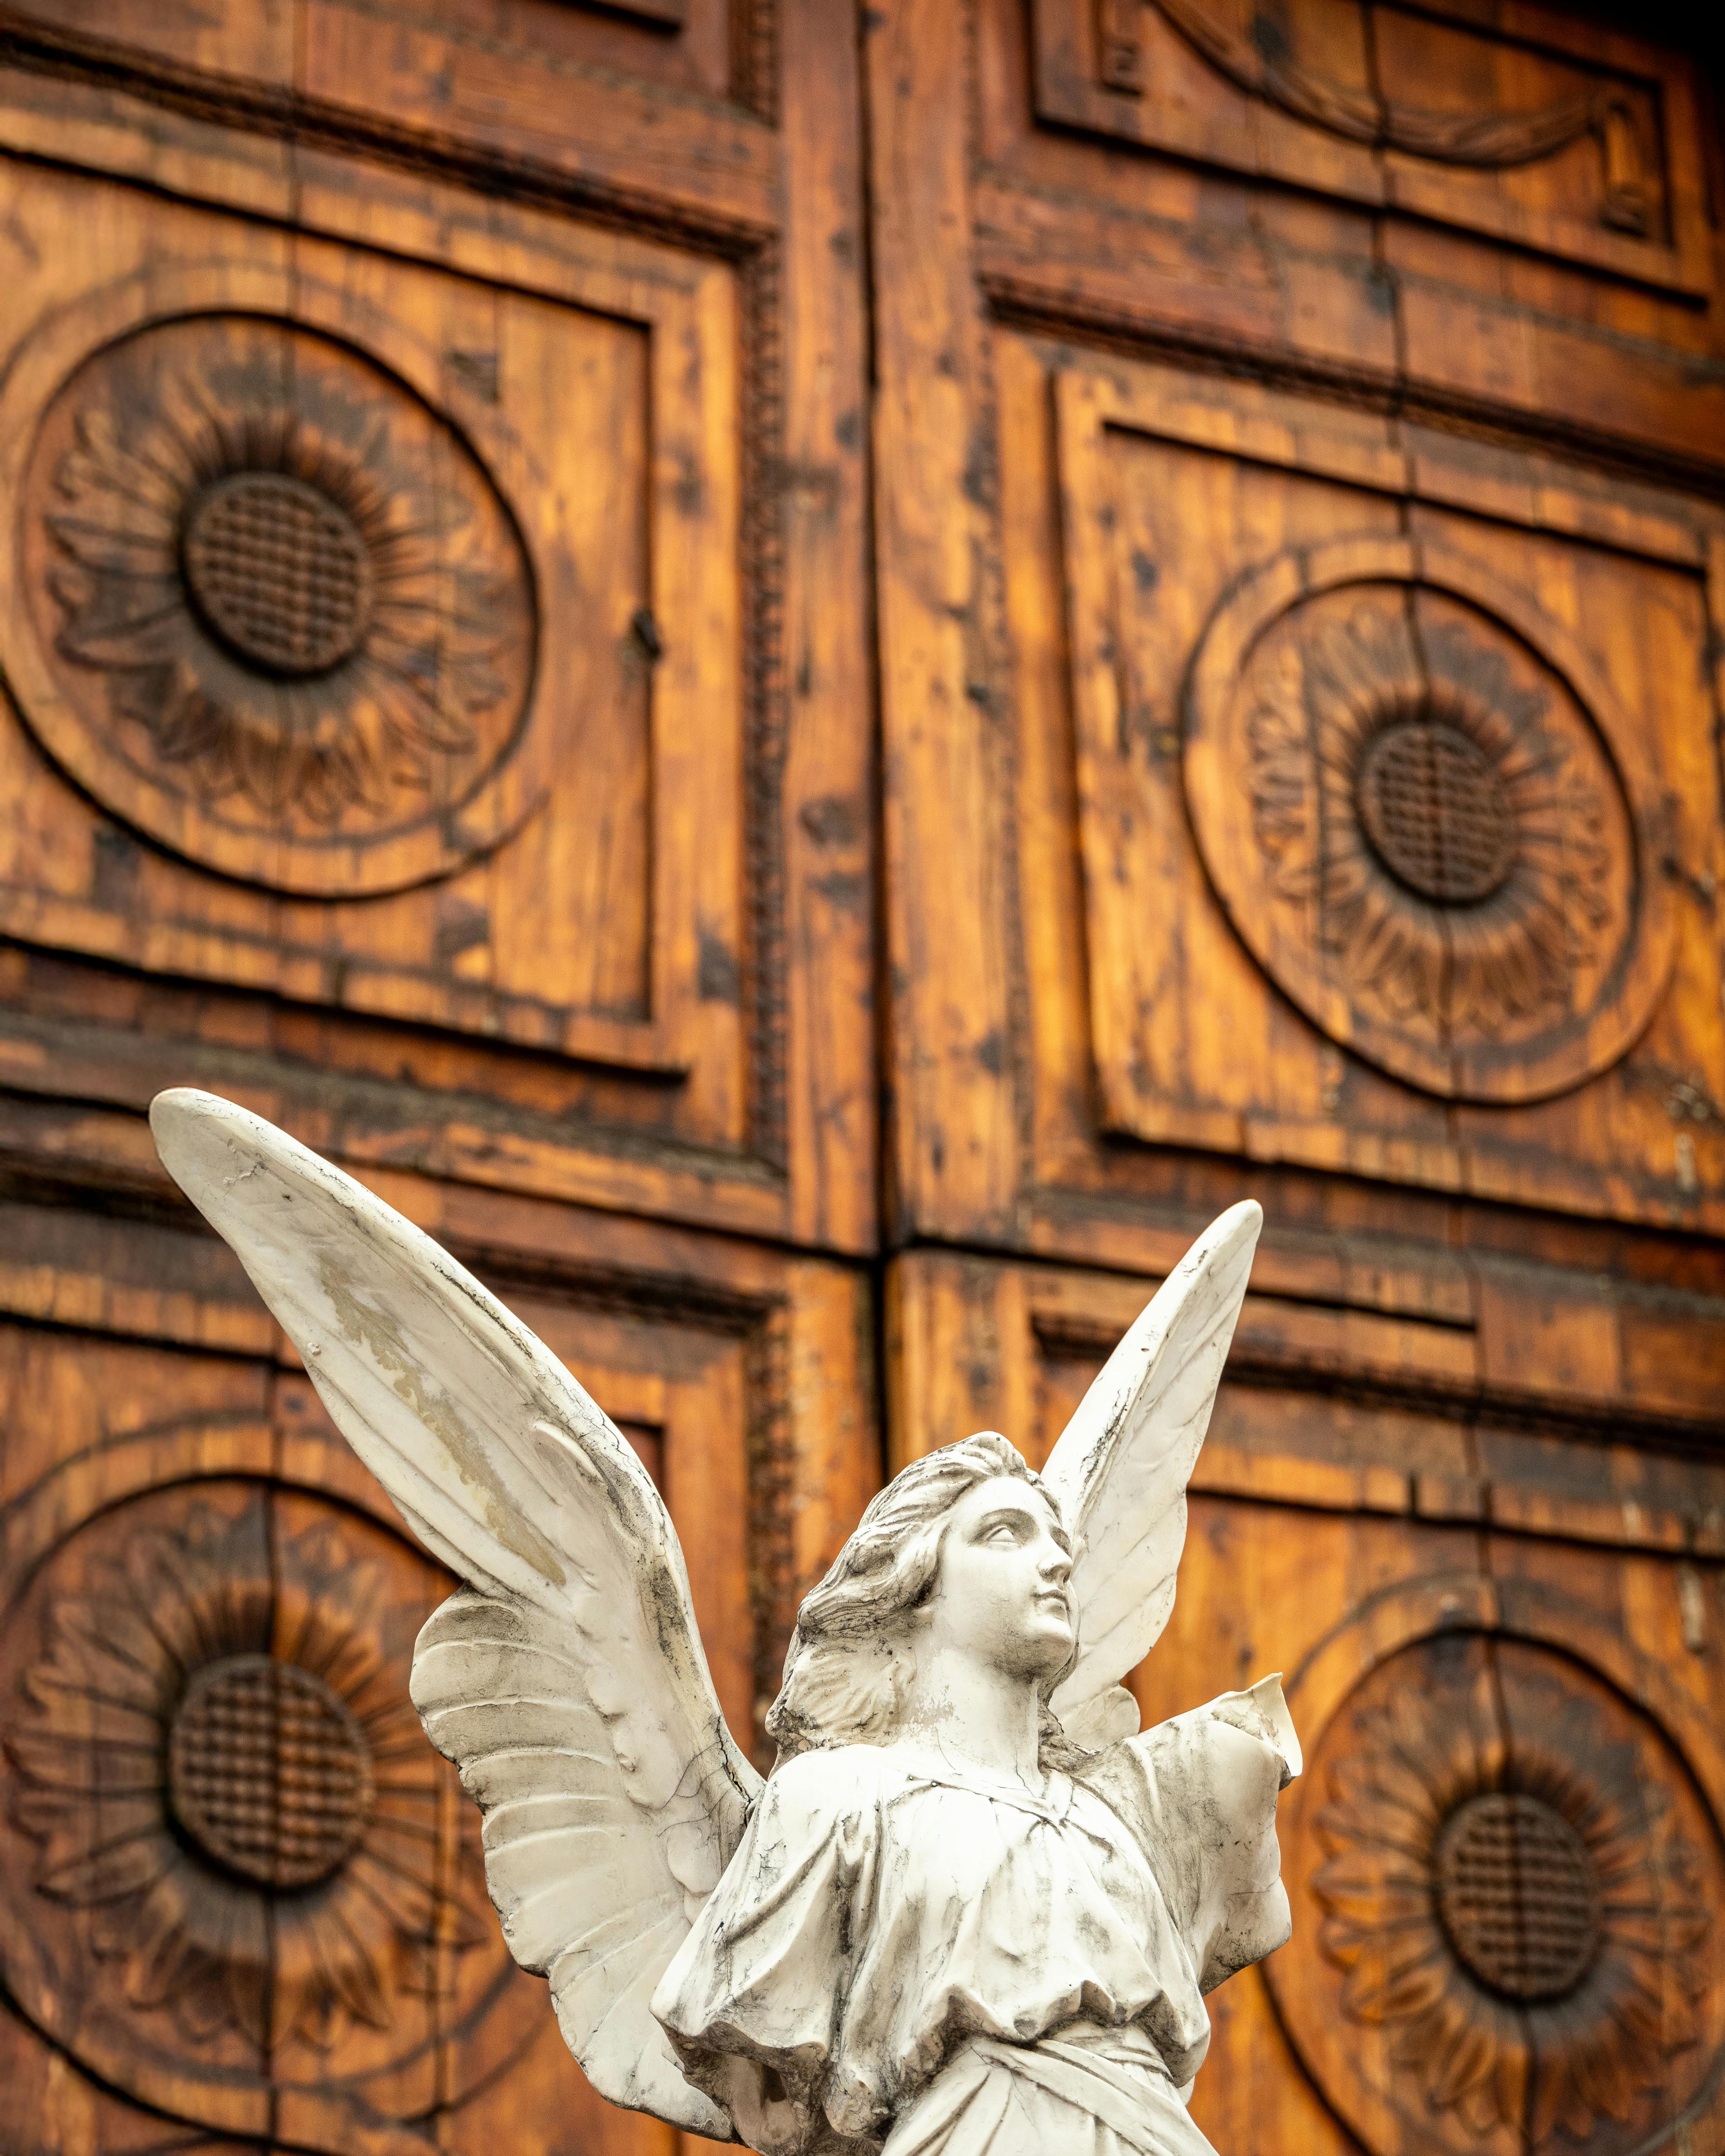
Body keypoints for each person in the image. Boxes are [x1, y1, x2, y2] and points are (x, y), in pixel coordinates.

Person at [653, 1431, 1299, 2156]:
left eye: (1060, 1543)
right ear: (918, 1585)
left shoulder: (1112, 1816)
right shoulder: (841, 1797)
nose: (1057, 1562)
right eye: (1005, 1535)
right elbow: (770, 2102)